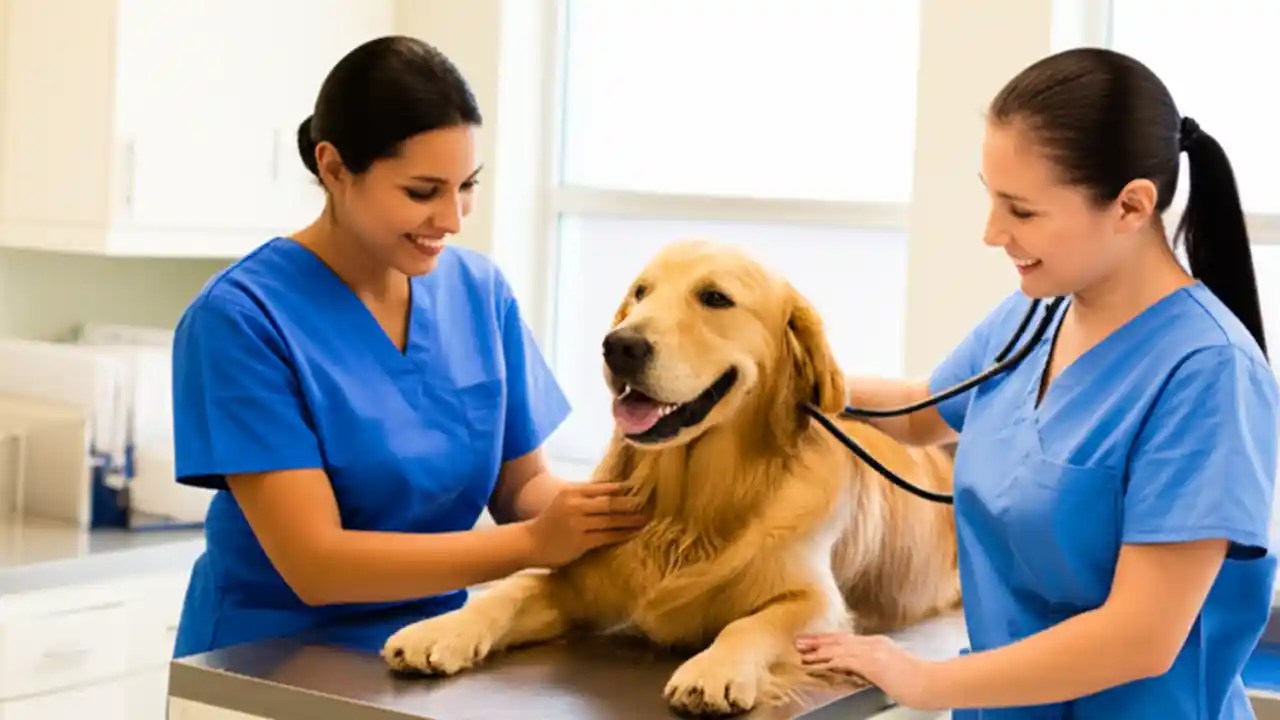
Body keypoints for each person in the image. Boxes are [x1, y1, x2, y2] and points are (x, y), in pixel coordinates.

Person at [797, 47, 1278, 718]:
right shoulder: (1036, 314)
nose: (992, 233)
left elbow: (1140, 638)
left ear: (1131, 205)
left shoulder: (1209, 374)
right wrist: (784, 378)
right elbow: (918, 410)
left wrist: (925, 682)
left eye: (1021, 212)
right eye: (992, 199)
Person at [169, 35, 646, 657]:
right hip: (267, 661)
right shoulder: (241, 319)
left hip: (431, 647)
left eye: (466, 185)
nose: (452, 218)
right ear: (334, 168)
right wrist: (534, 545)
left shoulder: (479, 292)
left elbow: (521, 488)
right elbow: (317, 564)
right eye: (422, 192)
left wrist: (617, 513)